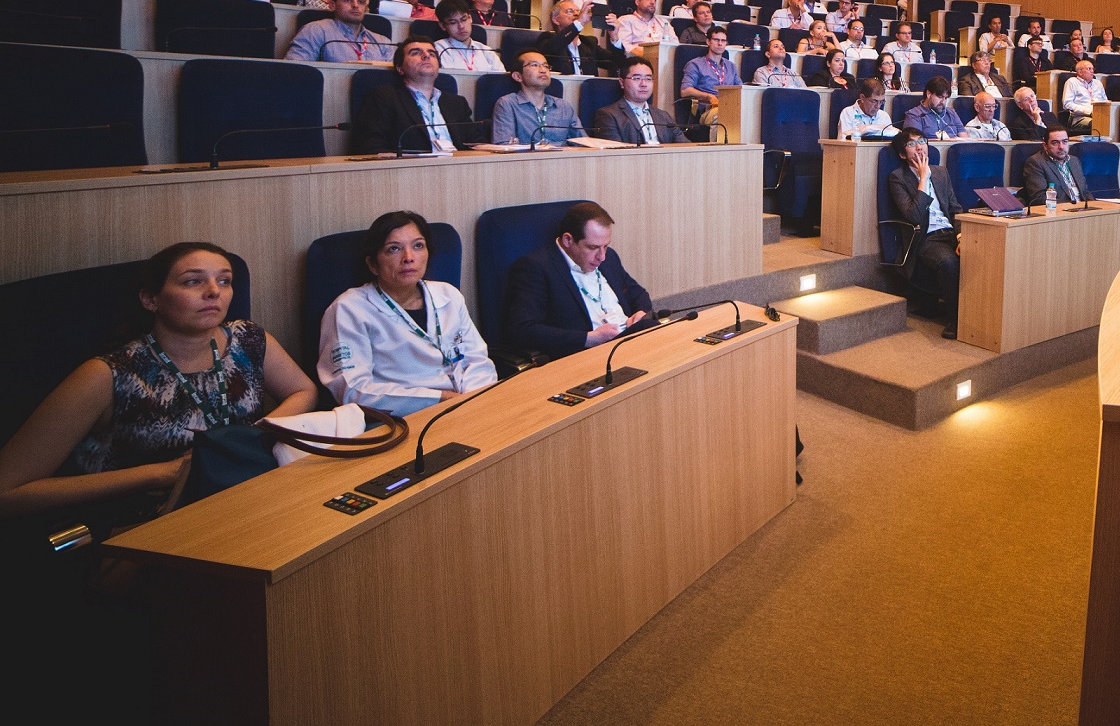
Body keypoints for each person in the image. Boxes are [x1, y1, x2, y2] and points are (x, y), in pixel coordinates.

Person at [0, 242, 315, 522]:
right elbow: (9, 492)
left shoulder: (249, 338)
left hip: (247, 498)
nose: (214, 291)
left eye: (224, 280)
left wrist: (253, 436)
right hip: (152, 524)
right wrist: (160, 474)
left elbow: (304, 390)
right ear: (151, 299)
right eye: (193, 281)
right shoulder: (108, 374)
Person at [318, 211, 497, 416]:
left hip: (466, 405)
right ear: (372, 264)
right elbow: (353, 390)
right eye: (394, 249)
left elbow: (477, 360)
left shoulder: (448, 295)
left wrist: (476, 400)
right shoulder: (349, 309)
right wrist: (442, 399)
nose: (409, 258)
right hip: (403, 418)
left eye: (418, 246)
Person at [502, 202, 655, 360]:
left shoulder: (609, 259)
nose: (601, 256)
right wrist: (589, 338)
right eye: (592, 247)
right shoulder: (536, 268)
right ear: (568, 240)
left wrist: (640, 313)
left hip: (629, 343)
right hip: (590, 355)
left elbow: (638, 294)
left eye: (606, 246)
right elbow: (523, 329)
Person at [886, 130, 961, 339]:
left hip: (951, 233)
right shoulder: (898, 178)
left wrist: (962, 236)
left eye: (922, 141)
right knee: (949, 263)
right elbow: (913, 216)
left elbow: (955, 209)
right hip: (926, 238)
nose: (919, 147)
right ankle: (956, 319)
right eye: (912, 144)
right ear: (902, 154)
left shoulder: (941, 172)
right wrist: (922, 179)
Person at [349, 39, 478, 154]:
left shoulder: (456, 103)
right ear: (400, 68)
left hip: (459, 171)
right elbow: (371, 145)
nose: (426, 56)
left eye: (432, 54)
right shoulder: (384, 97)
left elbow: (476, 144)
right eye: (415, 53)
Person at [491, 51, 583, 146]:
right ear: (517, 76)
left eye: (546, 66)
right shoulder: (507, 104)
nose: (543, 70)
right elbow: (504, 147)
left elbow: (583, 143)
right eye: (535, 65)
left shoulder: (563, 106)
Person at [285, 0, 390, 62]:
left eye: (361, 2)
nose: (356, 5)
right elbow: (296, 69)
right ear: (332, 5)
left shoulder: (383, 41)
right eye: (347, 0)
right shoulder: (315, 31)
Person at [592, 57, 684, 144]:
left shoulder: (664, 116)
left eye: (648, 79)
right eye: (637, 78)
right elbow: (614, 155)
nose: (643, 84)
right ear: (622, 82)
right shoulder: (608, 116)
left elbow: (685, 147)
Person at [535, 0, 612, 77]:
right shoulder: (547, 39)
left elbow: (615, 63)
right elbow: (554, 47)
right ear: (556, 19)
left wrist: (615, 38)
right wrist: (579, 22)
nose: (576, 14)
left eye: (578, 11)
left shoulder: (589, 43)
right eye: (570, 11)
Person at [680, 26, 740, 125]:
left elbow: (740, 89)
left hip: (730, 105)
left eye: (723, 41)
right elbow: (685, 91)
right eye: (716, 40)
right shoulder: (695, 64)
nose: (720, 44)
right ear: (708, 41)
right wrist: (708, 96)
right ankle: (719, 141)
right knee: (723, 114)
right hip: (708, 109)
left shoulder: (731, 66)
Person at [1021, 125, 1092, 208]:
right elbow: (1039, 199)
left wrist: (1096, 207)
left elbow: (1085, 192)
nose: (1061, 147)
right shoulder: (1036, 163)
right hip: (1060, 212)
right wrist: (1070, 208)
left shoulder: (1074, 161)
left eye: (1065, 141)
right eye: (1055, 143)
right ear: (1045, 146)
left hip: (1083, 211)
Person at [432, 0, 504, 72]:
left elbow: (500, 81)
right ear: (443, 26)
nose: (461, 26)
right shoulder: (438, 49)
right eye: (453, 22)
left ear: (470, 18)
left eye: (464, 19)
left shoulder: (486, 51)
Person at [613, 0, 678, 50]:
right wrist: (648, 55)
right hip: (639, 58)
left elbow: (675, 45)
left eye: (654, 0)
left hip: (664, 58)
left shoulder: (664, 22)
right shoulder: (626, 20)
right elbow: (625, 46)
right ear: (637, 2)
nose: (652, 2)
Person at [904, 75, 965, 139]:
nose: (943, 101)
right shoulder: (914, 115)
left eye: (946, 98)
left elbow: (964, 139)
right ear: (929, 94)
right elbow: (916, 144)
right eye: (940, 97)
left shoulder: (951, 113)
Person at [1061, 56, 1106, 135]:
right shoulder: (1072, 82)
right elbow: (1067, 104)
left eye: (1092, 69)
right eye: (1089, 69)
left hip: (1100, 115)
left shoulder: (1098, 83)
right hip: (1080, 118)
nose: (1092, 71)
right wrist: (1089, 112)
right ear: (1080, 72)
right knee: (1097, 123)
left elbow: (1105, 101)